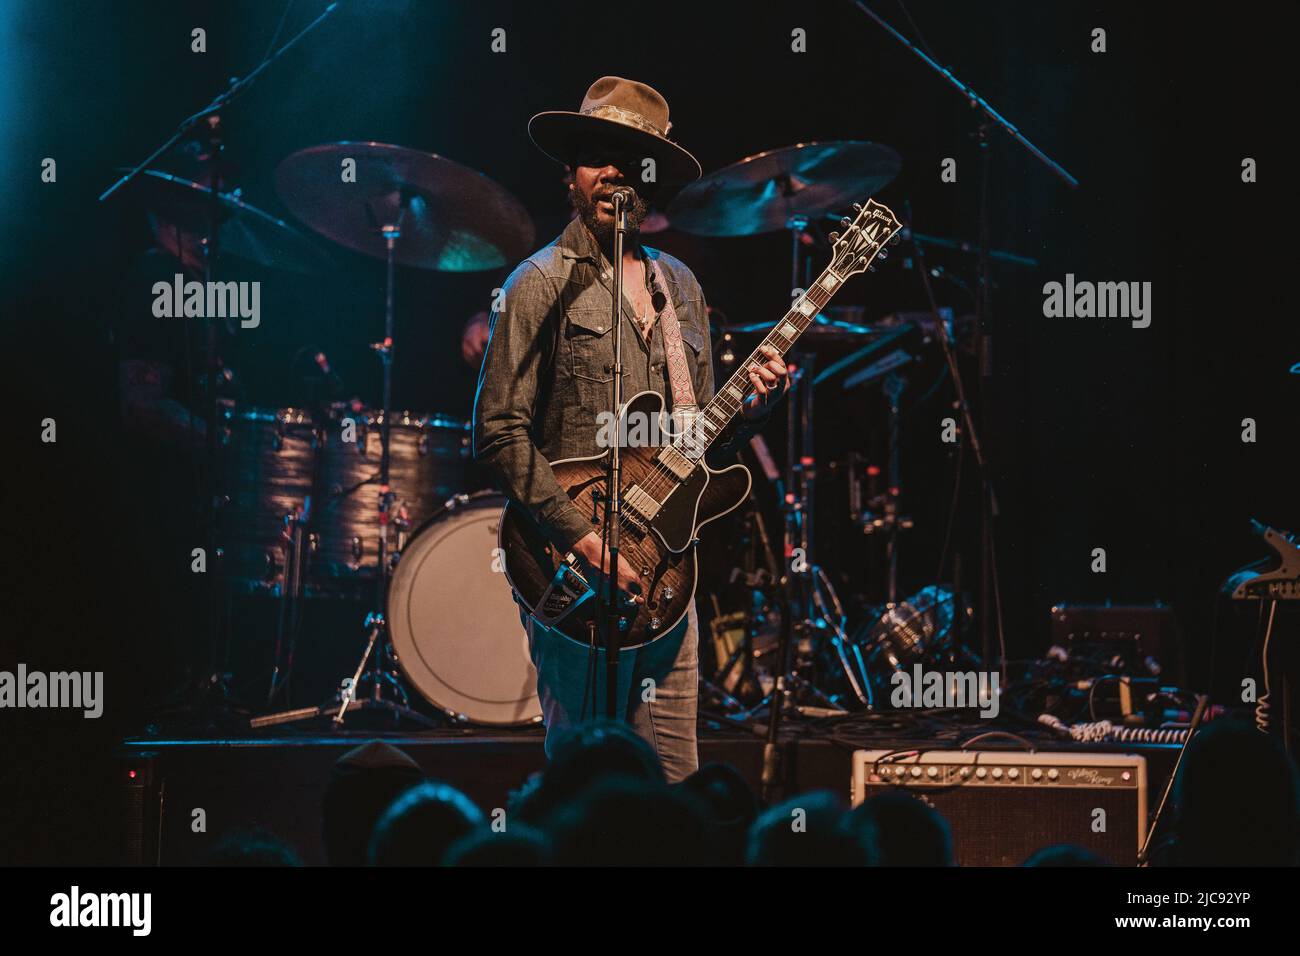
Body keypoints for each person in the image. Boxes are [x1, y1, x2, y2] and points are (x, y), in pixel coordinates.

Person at [473, 77, 787, 782]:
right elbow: (496, 428)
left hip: (669, 571)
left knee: (675, 783)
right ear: (571, 176)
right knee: (584, 789)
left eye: (631, 158)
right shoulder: (539, 282)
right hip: (574, 565)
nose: (612, 170)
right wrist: (576, 534)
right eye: (594, 155)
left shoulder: (681, 288)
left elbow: (703, 443)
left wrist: (756, 406)